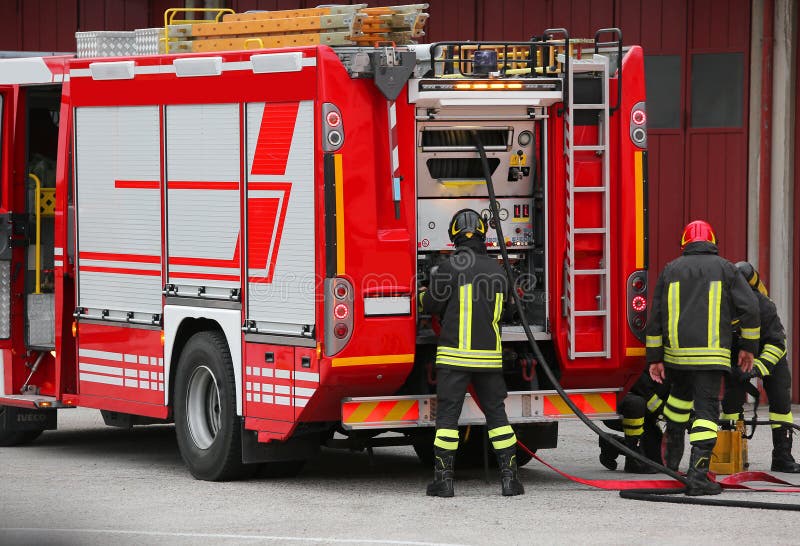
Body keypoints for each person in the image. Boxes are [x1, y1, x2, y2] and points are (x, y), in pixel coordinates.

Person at [646, 220, 759, 496]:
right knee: (706, 414)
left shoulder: (670, 269)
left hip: (677, 358)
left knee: (676, 406)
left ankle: (671, 468)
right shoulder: (726, 268)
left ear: (685, 242)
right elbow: (751, 308)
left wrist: (655, 358)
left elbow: (656, 317)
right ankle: (697, 477)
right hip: (710, 358)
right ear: (712, 241)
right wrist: (748, 347)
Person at [418, 208, 524, 497]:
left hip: (454, 359)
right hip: (489, 359)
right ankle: (510, 480)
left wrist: (421, 294)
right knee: (497, 417)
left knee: (448, 420)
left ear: (454, 235)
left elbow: (431, 306)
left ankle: (444, 481)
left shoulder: (449, 268)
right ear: (482, 234)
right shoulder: (498, 271)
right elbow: (510, 312)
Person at [721, 262, 800, 473]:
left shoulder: (764, 306)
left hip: (770, 357)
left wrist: (758, 368)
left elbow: (777, 344)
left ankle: (782, 457)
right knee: (732, 400)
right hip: (737, 356)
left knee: (781, 401)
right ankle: (730, 455)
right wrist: (731, 367)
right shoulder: (723, 304)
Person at [598, 369, 668, 473]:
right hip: (621, 409)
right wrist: (667, 415)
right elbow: (646, 393)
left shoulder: (683, 372)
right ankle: (633, 462)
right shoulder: (649, 362)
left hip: (646, 417)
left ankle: (611, 444)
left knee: (657, 460)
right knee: (636, 403)